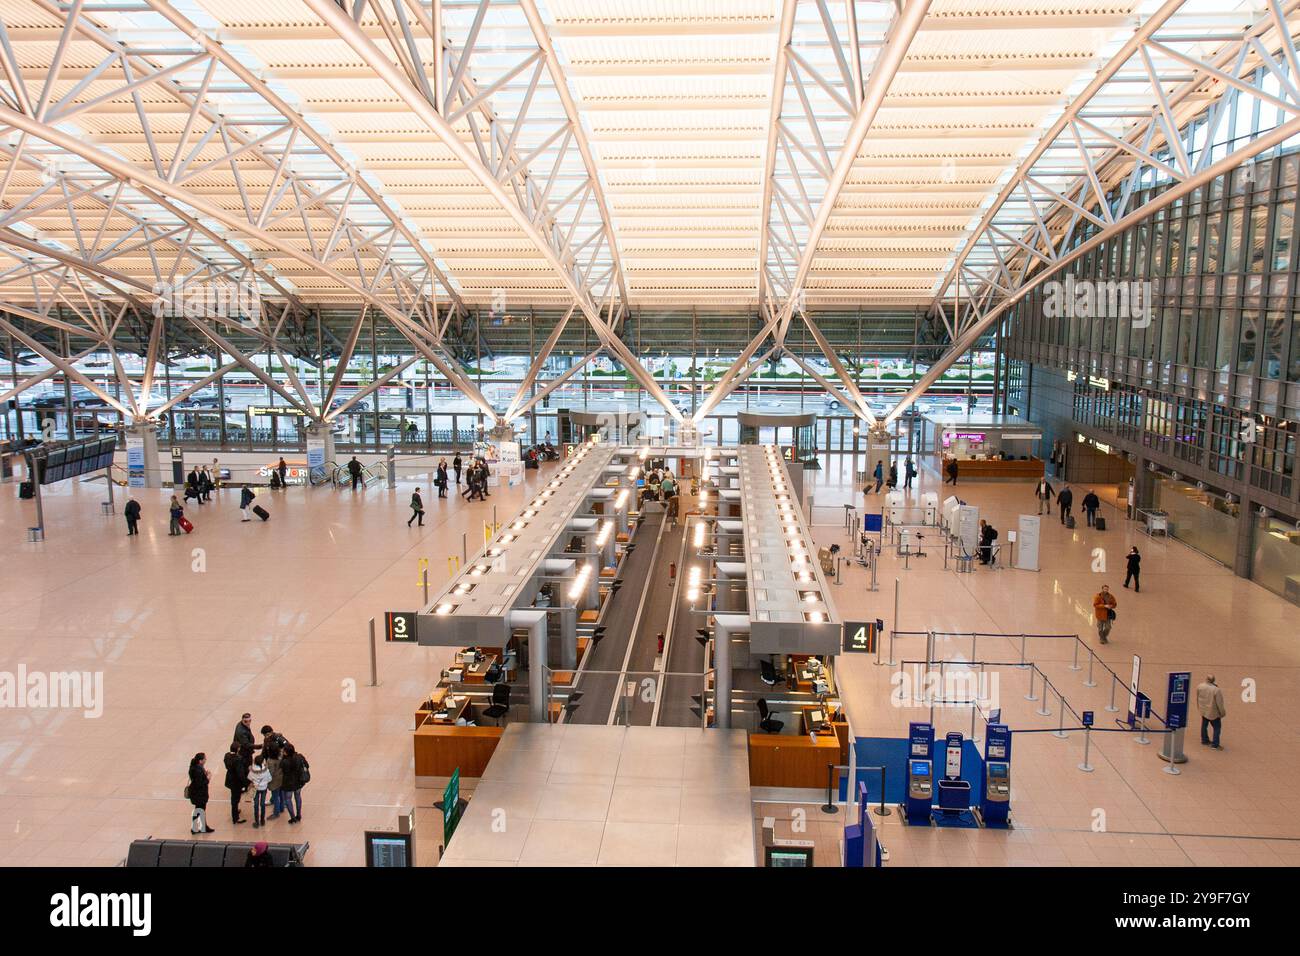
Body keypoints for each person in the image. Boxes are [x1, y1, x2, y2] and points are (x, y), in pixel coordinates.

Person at [279, 743, 309, 823]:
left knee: (288, 799)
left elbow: (282, 770)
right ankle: (299, 814)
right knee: (298, 796)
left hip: (288, 783)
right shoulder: (300, 757)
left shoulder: (284, 762)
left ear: (286, 752)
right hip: (299, 781)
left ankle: (292, 817)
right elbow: (307, 765)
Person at [1196, 674, 1226, 749]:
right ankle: (1215, 744)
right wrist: (1222, 713)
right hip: (1213, 712)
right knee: (1217, 728)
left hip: (1203, 710)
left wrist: (1199, 707)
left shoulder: (1200, 686)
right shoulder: (1216, 690)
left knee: (1204, 726)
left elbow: (1198, 697)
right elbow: (1220, 703)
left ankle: (1204, 740)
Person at [188, 753, 215, 834]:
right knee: (200, 810)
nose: (205, 760)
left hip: (196, 793)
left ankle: (202, 827)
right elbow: (201, 783)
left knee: (199, 810)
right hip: (199, 793)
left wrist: (204, 774)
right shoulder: (198, 770)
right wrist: (208, 777)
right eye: (204, 759)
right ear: (200, 761)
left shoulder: (195, 767)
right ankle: (196, 828)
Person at [223, 742, 248, 824]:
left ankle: (235, 811)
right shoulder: (238, 759)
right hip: (236, 781)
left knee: (234, 797)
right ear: (238, 749)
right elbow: (240, 773)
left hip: (230, 779)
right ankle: (235, 818)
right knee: (235, 799)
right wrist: (246, 783)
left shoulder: (227, 756)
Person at [248, 754, 271, 828]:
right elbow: (269, 778)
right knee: (262, 804)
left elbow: (249, 778)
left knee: (256, 804)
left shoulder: (252, 770)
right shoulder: (266, 770)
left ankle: (256, 821)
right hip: (263, 788)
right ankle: (262, 820)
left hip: (256, 788)